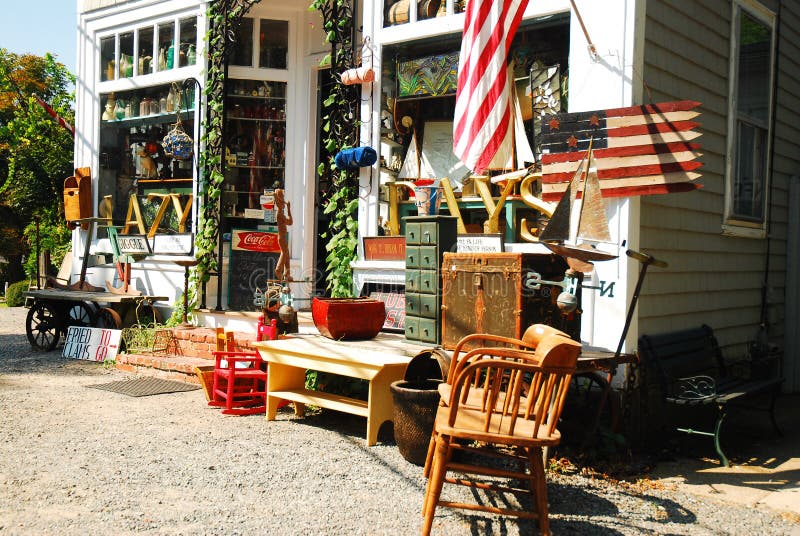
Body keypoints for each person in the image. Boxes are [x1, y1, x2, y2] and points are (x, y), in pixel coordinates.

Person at [274, 188, 293, 281]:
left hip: (282, 237)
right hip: (281, 237)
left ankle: (287, 273)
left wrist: (288, 209)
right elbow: (290, 222)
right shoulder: (280, 214)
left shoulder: (281, 213)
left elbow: (289, 222)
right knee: (284, 252)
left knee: (287, 254)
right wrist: (289, 209)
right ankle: (278, 269)